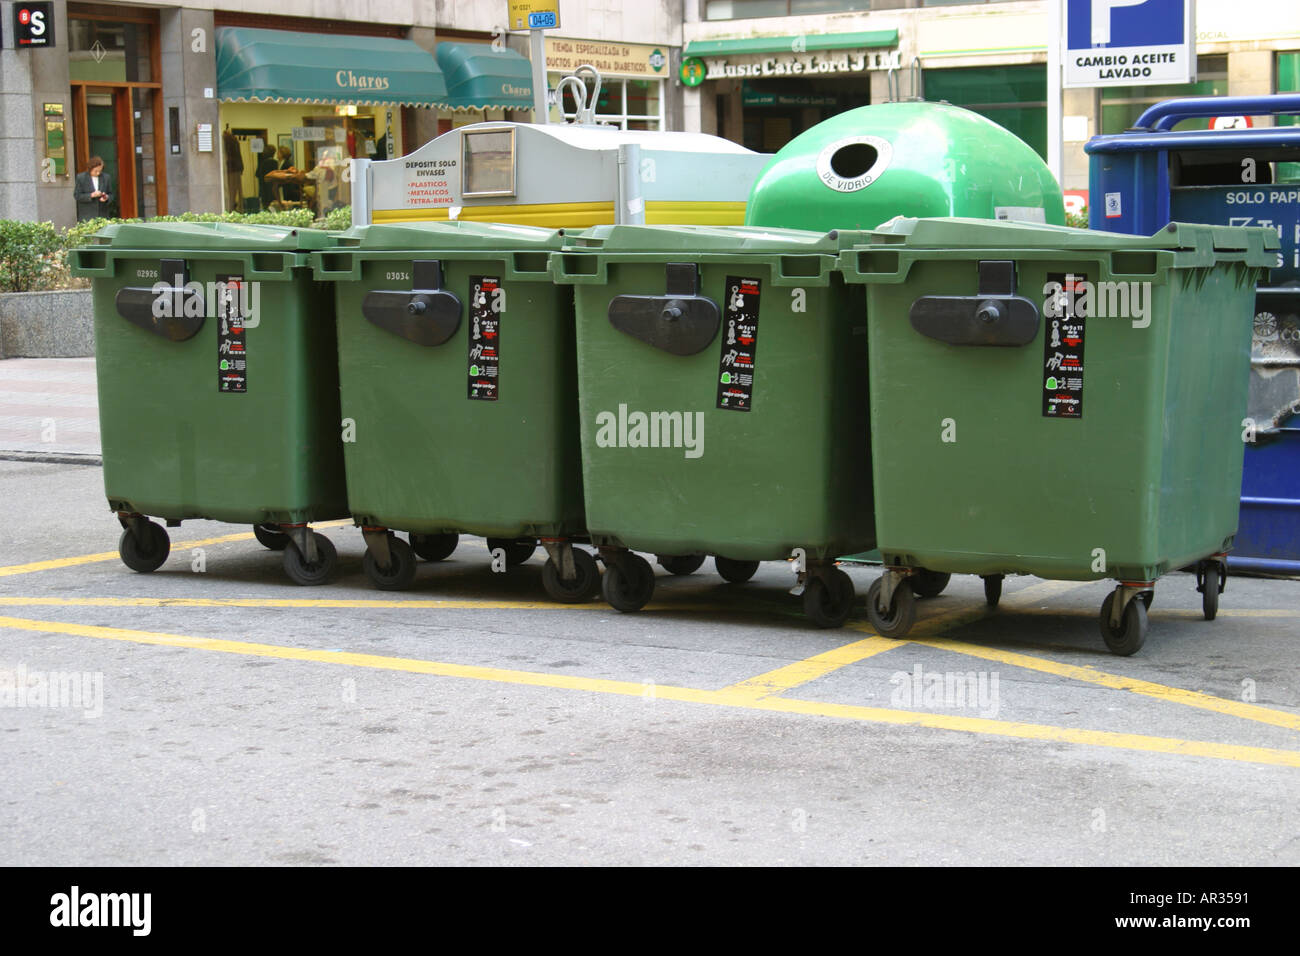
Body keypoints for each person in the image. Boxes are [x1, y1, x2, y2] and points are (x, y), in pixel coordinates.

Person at [73, 157, 113, 221]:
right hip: (87, 216)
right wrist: (91, 195)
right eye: (96, 171)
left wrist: (106, 197)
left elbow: (111, 194)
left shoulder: (106, 178)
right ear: (90, 168)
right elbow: (77, 195)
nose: (98, 173)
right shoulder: (81, 178)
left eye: (100, 171)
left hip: (103, 215)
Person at [222, 126, 243, 212]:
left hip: (231, 169)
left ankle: (230, 210)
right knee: (234, 192)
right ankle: (233, 209)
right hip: (236, 169)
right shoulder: (234, 141)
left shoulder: (227, 141)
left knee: (230, 192)